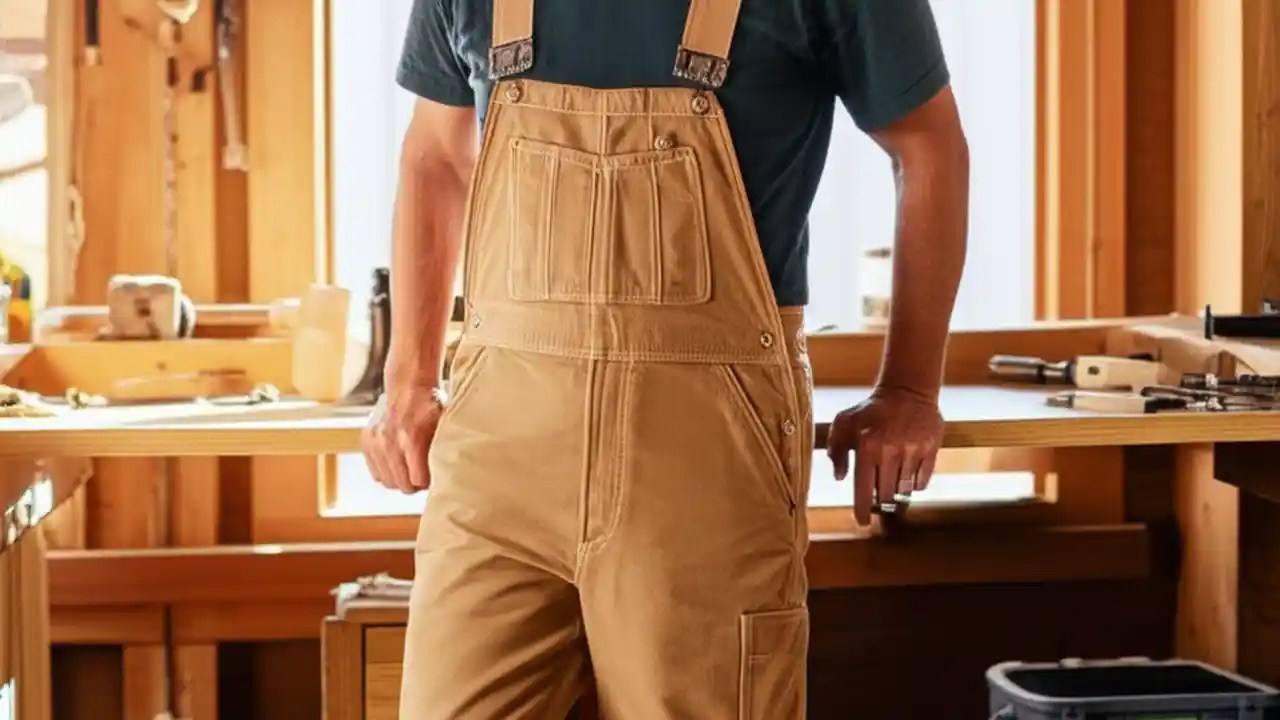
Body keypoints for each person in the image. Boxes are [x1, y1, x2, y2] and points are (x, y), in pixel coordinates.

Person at [360, 0, 968, 717]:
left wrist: (908, 388)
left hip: (703, 461)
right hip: (498, 456)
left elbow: (929, 146)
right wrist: (407, 381)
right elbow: (434, 154)